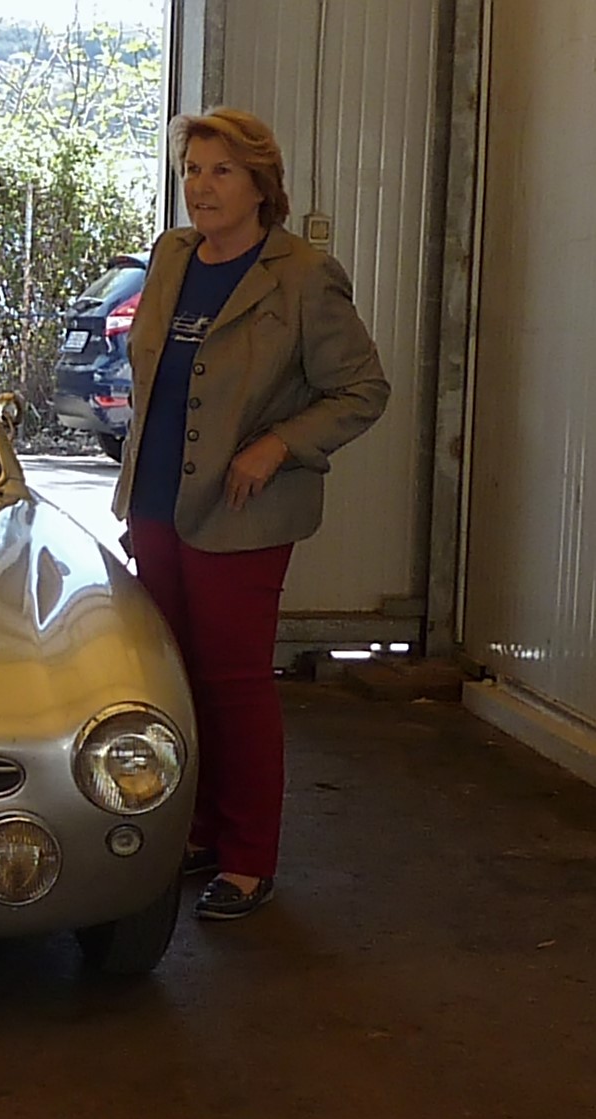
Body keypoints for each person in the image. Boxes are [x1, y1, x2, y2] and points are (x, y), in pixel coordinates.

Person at [112, 107, 389, 920]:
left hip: (245, 512)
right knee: (173, 680)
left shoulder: (301, 276)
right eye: (192, 170)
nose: (201, 187)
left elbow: (362, 390)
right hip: (158, 500)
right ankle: (196, 829)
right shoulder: (171, 257)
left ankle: (248, 856)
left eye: (221, 171)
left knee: (234, 683)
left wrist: (279, 446)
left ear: (261, 183)